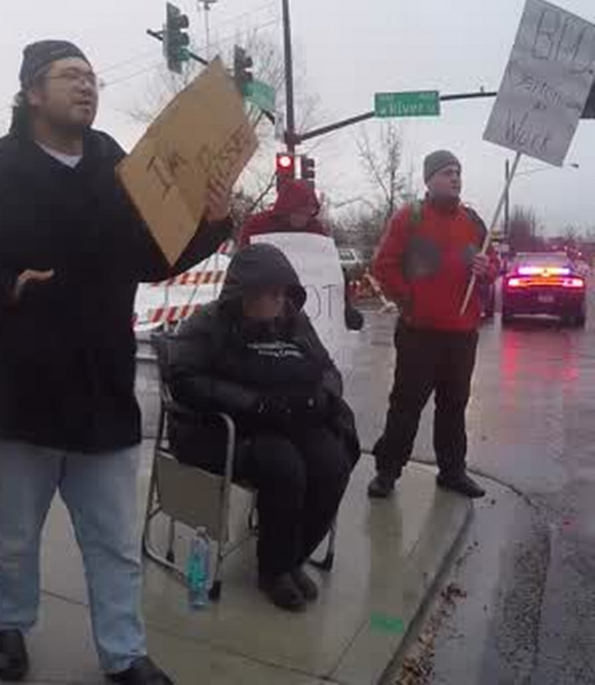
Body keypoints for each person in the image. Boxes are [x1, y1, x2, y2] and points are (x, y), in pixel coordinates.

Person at [0, 40, 232, 685]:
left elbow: (155, 258)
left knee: (116, 545)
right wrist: (7, 286)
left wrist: (212, 224)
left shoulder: (118, 171)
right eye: (70, 76)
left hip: (102, 389)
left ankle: (123, 655)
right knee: (16, 542)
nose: (87, 87)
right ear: (31, 93)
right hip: (21, 391)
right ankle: (11, 624)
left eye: (92, 78)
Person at [164, 243, 360, 612]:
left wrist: (322, 398)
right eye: (271, 293)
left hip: (286, 419)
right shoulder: (208, 323)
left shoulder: (292, 319)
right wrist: (252, 403)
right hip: (220, 427)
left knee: (332, 464)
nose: (279, 301)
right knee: (285, 467)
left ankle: (291, 557)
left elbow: (327, 368)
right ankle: (273, 571)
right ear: (245, 292)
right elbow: (184, 379)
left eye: (284, 293)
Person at [367, 150, 492, 500]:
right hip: (419, 333)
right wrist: (409, 301)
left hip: (462, 335)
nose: (455, 178)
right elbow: (385, 265)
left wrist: (487, 269)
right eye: (447, 172)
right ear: (429, 179)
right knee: (406, 405)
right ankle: (387, 472)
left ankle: (452, 471)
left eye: (458, 172)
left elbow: (491, 265)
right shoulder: (410, 217)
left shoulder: (473, 222)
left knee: (453, 406)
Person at [239, 179, 364, 331]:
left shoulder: (315, 228)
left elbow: (328, 271)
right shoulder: (257, 225)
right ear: (285, 209)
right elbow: (242, 264)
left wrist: (345, 306)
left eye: (308, 212)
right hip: (262, 307)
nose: (303, 217)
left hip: (308, 312)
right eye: (299, 211)